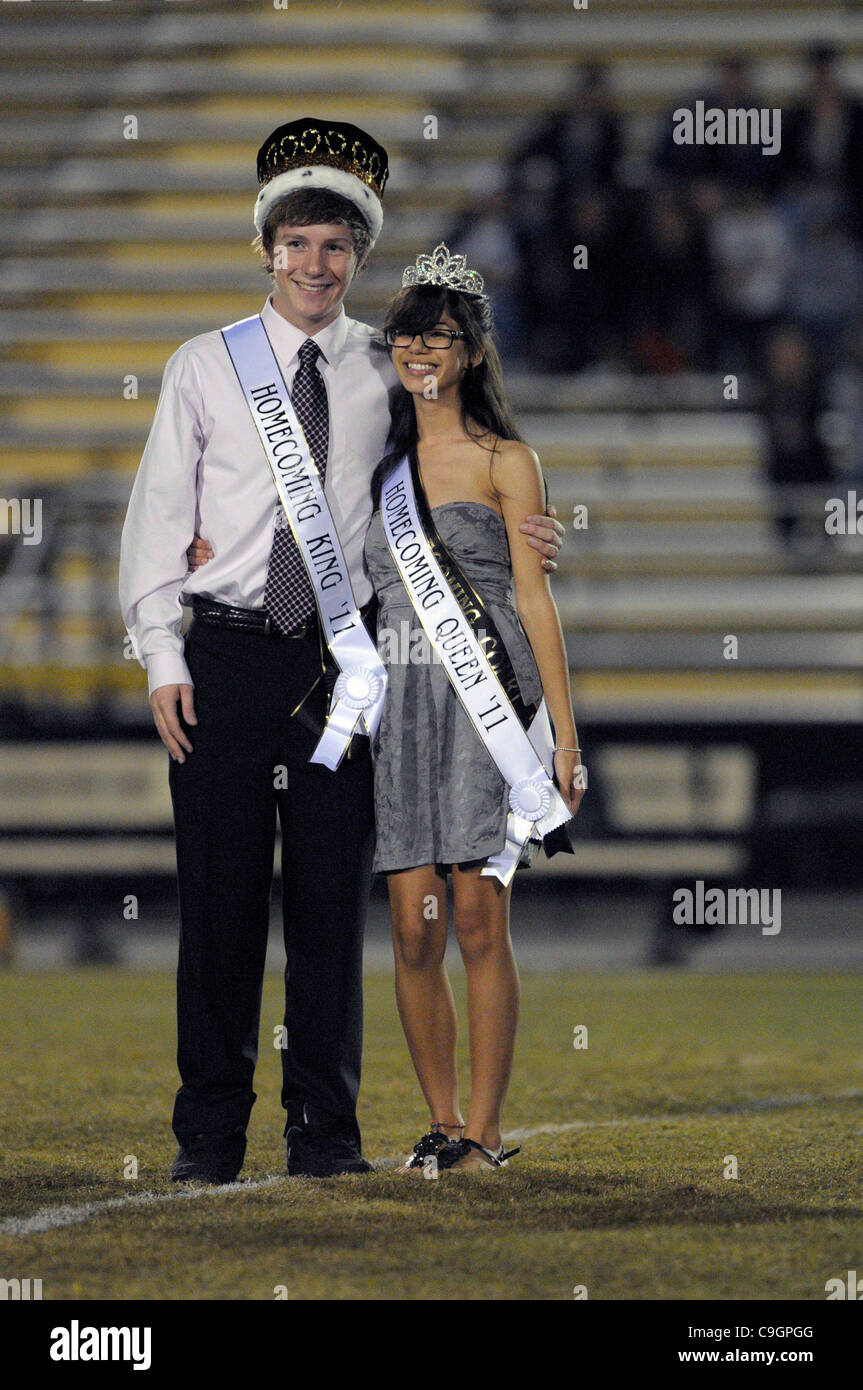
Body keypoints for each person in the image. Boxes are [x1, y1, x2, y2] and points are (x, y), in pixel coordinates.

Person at [119, 118, 565, 1183]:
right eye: (298, 242)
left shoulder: (385, 365)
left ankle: (324, 1133)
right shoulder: (201, 365)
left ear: (358, 258)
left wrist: (530, 529)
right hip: (222, 658)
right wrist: (161, 657)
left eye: (336, 245)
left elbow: (468, 464)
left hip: (341, 668)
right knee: (219, 911)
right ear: (266, 250)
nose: (316, 264)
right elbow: (153, 517)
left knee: (328, 911)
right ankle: (208, 1136)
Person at [363, 246, 584, 1173]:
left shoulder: (507, 460)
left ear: (472, 353)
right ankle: (442, 1122)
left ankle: (485, 1132)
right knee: (412, 925)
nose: (422, 350)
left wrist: (565, 738)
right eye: (409, 333)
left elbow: (535, 602)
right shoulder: (369, 463)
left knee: (478, 917)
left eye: (440, 336)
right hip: (398, 706)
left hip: (486, 702)